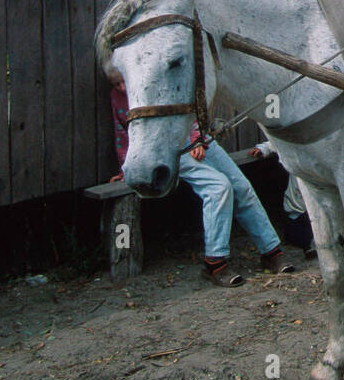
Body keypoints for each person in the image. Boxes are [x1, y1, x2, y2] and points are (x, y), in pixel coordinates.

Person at [109, 73, 293, 286]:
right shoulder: (117, 97)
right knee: (218, 188)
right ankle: (215, 263)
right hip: (169, 148)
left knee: (241, 186)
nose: (122, 87)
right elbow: (122, 134)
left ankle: (271, 251)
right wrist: (127, 168)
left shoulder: (154, 78)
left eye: (124, 80)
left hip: (196, 137)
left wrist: (197, 140)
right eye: (116, 84)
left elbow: (188, 106)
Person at [249, 140, 317, 259]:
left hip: (317, 212)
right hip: (297, 215)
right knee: (300, 234)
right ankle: (309, 245)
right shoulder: (295, 145)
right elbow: (277, 142)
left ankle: (316, 243)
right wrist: (263, 149)